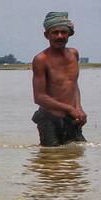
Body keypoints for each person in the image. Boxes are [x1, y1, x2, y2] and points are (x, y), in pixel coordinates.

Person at [31, 11, 86, 146]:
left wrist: (78, 108)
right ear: (47, 35)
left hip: (71, 118)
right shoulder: (41, 59)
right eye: (55, 32)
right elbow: (39, 97)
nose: (60, 36)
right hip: (49, 118)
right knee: (51, 156)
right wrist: (69, 108)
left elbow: (73, 85)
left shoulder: (74, 54)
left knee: (76, 157)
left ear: (69, 34)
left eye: (63, 32)